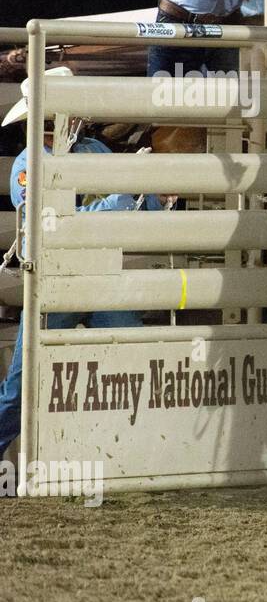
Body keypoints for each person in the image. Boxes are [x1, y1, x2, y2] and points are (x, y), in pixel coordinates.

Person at [0, 68, 172, 463]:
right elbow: (54, 224)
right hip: (54, 282)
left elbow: (130, 210)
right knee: (23, 384)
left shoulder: (93, 151)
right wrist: (125, 195)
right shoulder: (28, 165)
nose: (81, 119)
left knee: (133, 360)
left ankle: (143, 459)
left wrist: (157, 195)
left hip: (100, 277)